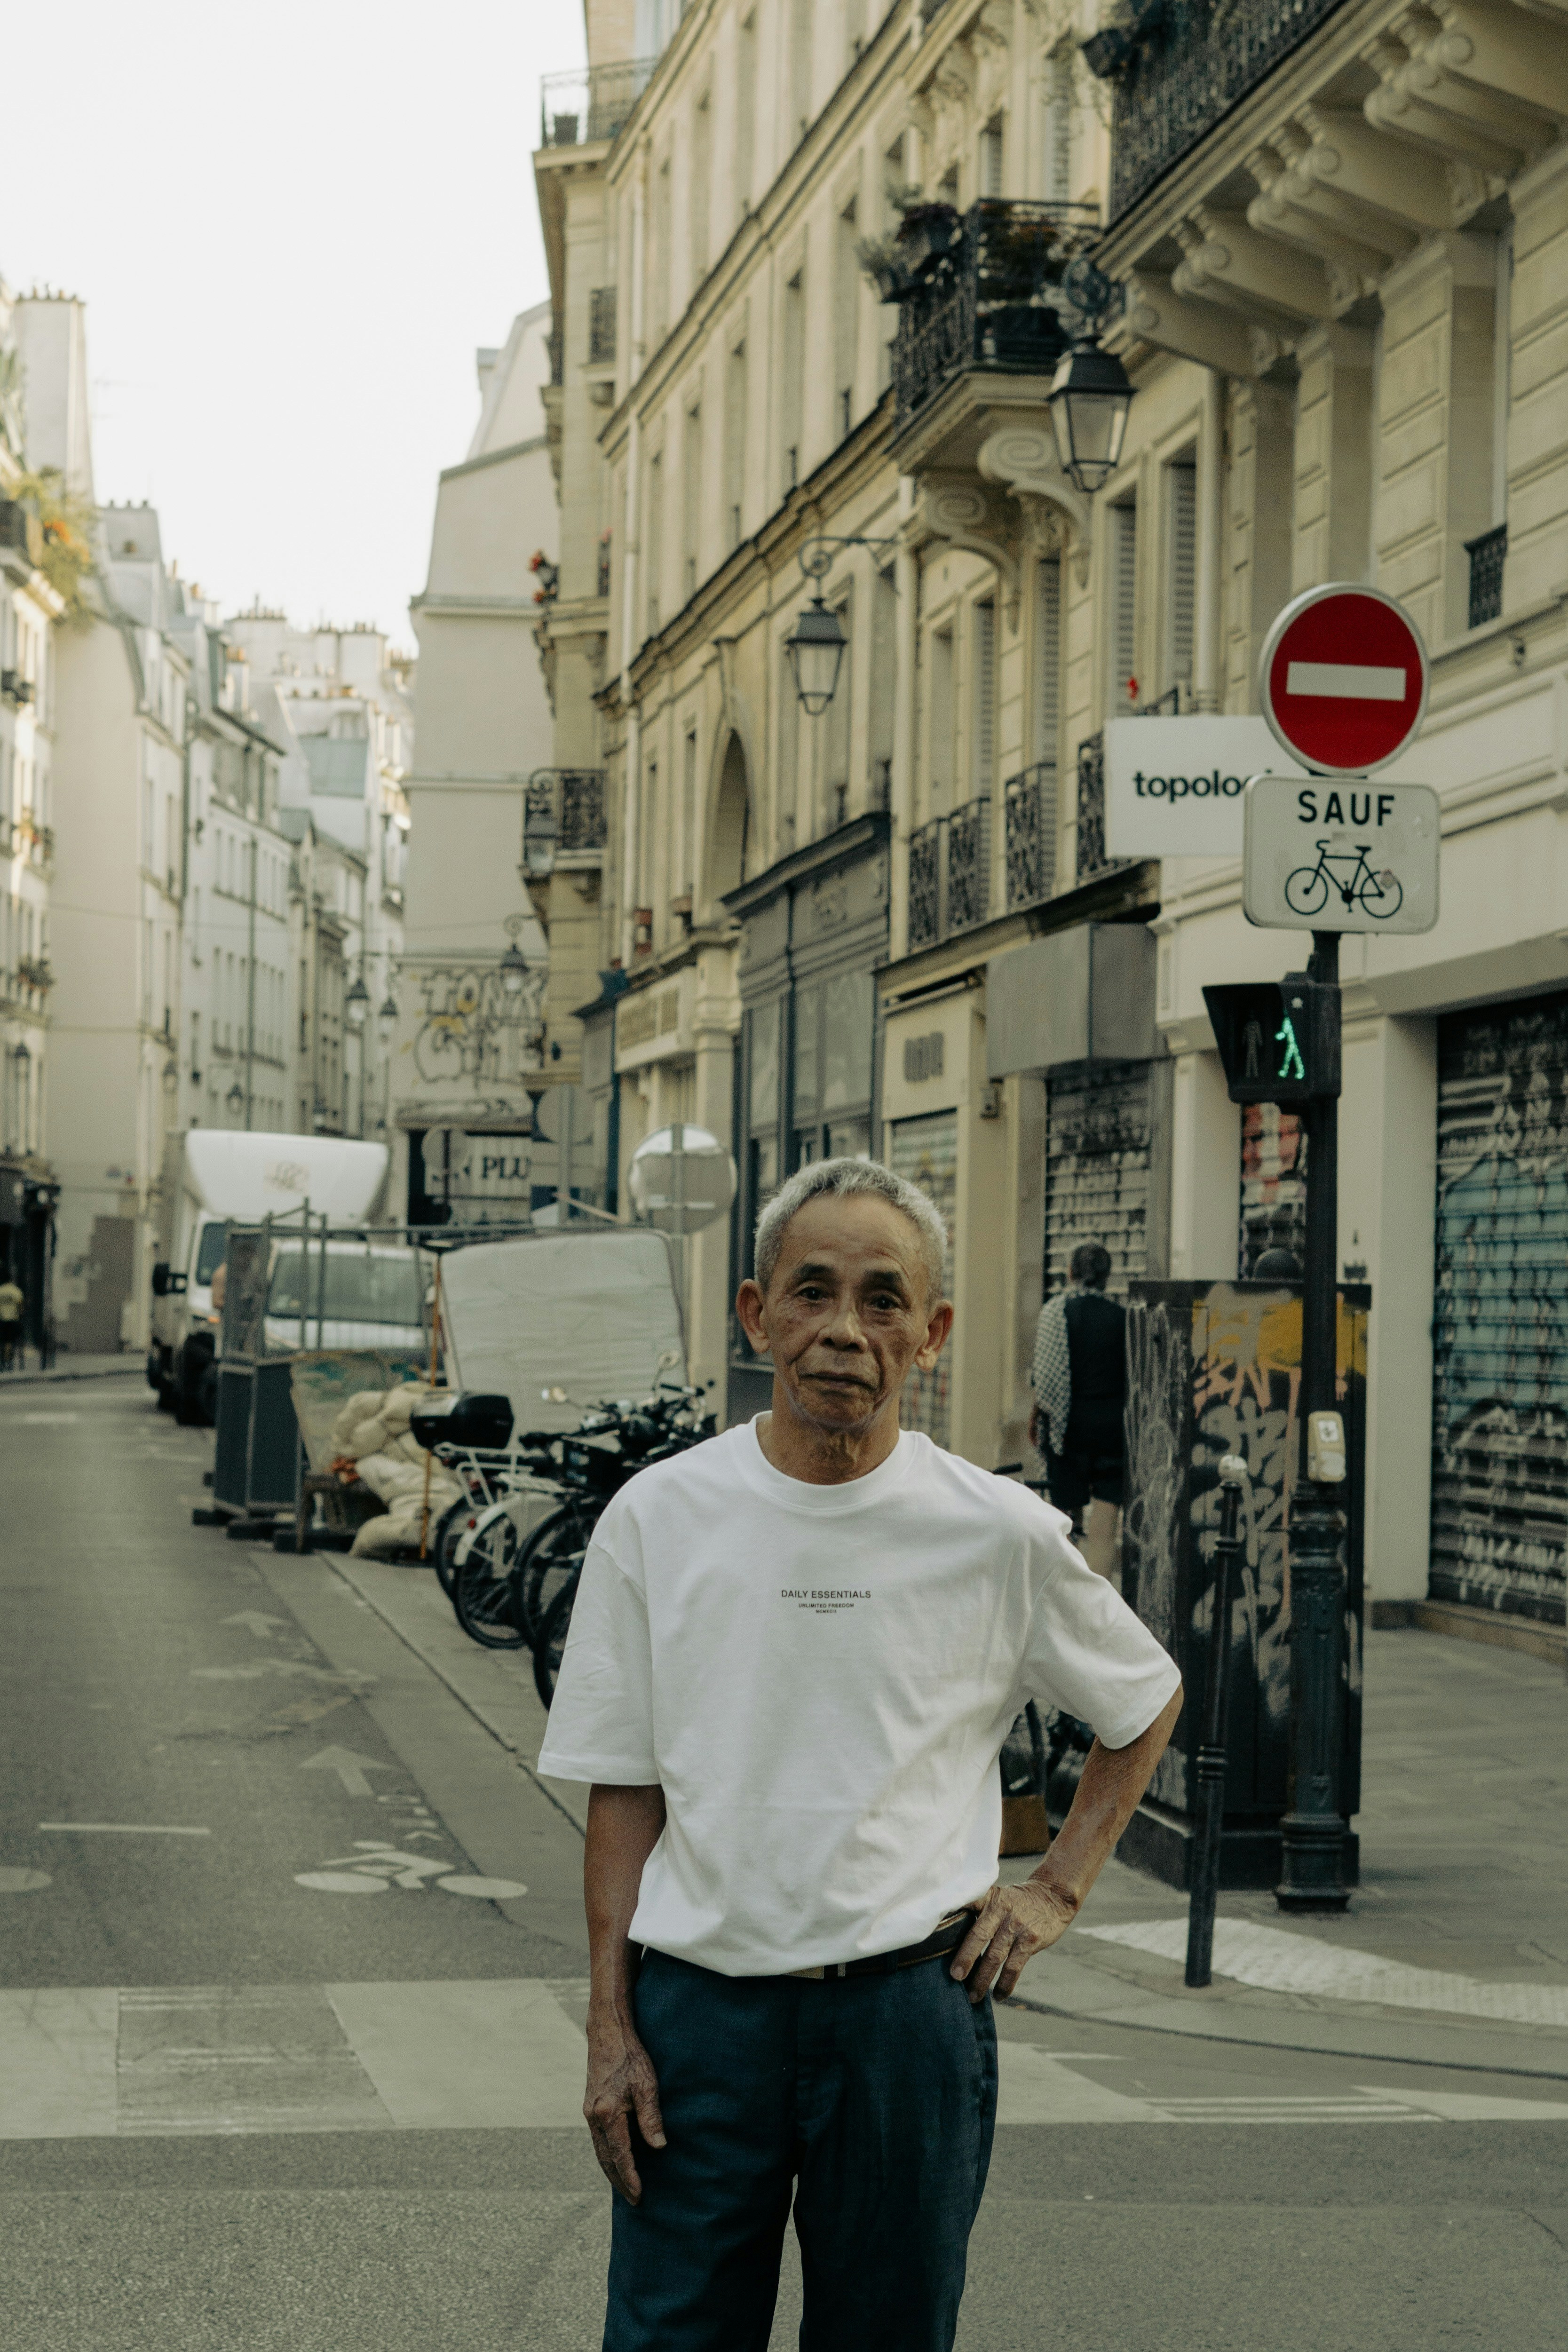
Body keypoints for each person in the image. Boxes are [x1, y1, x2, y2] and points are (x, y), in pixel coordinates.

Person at [539, 1157, 1181, 2352]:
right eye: (813, 1290)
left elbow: (1141, 1699)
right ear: (756, 1312)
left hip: (906, 2022)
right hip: (698, 2023)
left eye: (883, 1299)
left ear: (930, 1333)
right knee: (670, 2336)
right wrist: (609, 2027)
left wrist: (1053, 1890)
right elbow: (622, 1787)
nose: (844, 1329)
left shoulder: (992, 1529)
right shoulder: (661, 1515)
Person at [1029, 1239, 1126, 1541]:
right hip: (1113, 1429)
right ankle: (1100, 1577)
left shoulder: (1057, 1312)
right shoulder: (1122, 1316)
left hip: (1070, 1429)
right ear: (1107, 1275)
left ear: (1071, 1272)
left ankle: (1068, 1573)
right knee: (1107, 1511)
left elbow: (1045, 1382)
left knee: (1066, 1513)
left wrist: (1037, 1417)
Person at [0, 1273, 24, 1371]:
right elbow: (21, 1306)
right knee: (10, 1342)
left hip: (1, 1319)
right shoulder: (16, 1291)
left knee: (2, 1342)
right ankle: (8, 1361)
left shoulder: (1, 1291)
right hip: (13, 1319)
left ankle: (2, 1361)